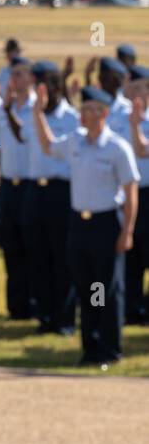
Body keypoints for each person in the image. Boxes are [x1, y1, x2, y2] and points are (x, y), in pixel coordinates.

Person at [32, 84, 140, 367]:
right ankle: (90, 346)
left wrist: (127, 231)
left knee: (107, 289)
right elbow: (47, 145)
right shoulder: (75, 142)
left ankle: (109, 348)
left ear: (102, 113)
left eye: (89, 110)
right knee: (87, 285)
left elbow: (130, 192)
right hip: (80, 224)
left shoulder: (118, 148)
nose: (83, 115)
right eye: (82, 109)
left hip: (106, 223)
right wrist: (37, 114)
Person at [25, 61, 80, 335]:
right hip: (36, 190)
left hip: (62, 191)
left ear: (57, 89)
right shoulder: (31, 114)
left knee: (62, 258)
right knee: (38, 256)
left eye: (45, 88)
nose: (41, 94)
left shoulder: (71, 118)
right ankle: (44, 316)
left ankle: (64, 319)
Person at [0, 56, 37, 320]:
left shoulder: (36, 110)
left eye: (20, 74)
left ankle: (34, 301)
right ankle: (16, 305)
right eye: (12, 74)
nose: (15, 79)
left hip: (29, 184)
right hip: (8, 184)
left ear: (31, 79)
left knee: (33, 246)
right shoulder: (1, 109)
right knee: (11, 247)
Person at [109, 65, 149, 323]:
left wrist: (136, 125)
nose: (139, 93)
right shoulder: (116, 118)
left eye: (143, 88)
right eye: (134, 88)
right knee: (130, 255)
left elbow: (142, 150)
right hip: (127, 195)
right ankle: (131, 308)